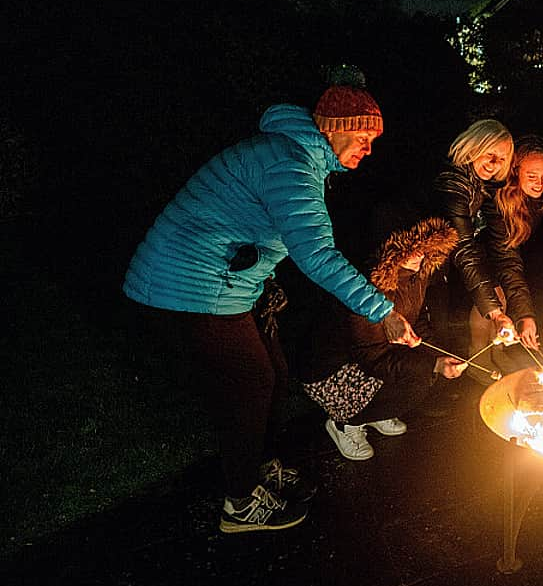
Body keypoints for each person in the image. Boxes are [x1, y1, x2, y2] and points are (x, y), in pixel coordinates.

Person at [123, 84, 420, 533]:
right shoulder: (291, 165)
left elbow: (259, 227)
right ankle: (239, 502)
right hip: (183, 286)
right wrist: (384, 312)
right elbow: (317, 255)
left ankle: (260, 466)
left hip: (224, 284)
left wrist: (264, 279)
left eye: (373, 140)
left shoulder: (294, 157)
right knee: (250, 383)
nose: (368, 148)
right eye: (363, 136)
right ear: (332, 129)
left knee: (275, 373)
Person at [304, 217, 467, 460]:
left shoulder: (415, 276)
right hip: (331, 371)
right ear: (392, 249)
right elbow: (371, 358)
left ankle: (374, 413)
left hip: (373, 357)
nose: (418, 256)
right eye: (410, 249)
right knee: (418, 379)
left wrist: (439, 354)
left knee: (423, 374)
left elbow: (418, 320)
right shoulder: (369, 287)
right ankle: (344, 423)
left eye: (423, 249)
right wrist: (433, 364)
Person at [432, 119, 517, 376]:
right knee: (433, 325)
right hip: (426, 260)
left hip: (448, 257)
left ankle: (494, 356)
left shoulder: (480, 183)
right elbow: (463, 247)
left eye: (502, 159)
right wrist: (494, 312)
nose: (494, 165)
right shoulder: (453, 183)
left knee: (496, 288)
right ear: (473, 146)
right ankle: (473, 365)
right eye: (490, 155)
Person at [485, 135, 543, 359]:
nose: (540, 182)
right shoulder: (500, 207)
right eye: (532, 176)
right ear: (516, 172)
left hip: (534, 270)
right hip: (497, 269)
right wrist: (524, 314)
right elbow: (508, 264)